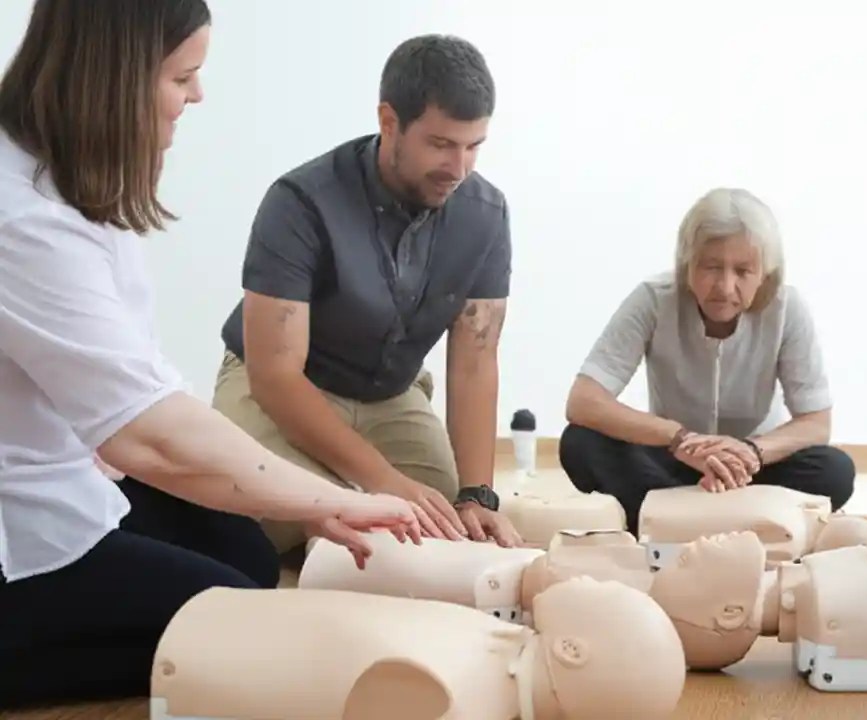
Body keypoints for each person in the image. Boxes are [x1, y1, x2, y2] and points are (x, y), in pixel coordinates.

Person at [0, 0, 427, 710]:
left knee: (247, 558)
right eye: (181, 77)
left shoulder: (73, 177)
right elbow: (151, 434)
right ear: (116, 77)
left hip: (72, 470)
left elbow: (139, 387)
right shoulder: (20, 218)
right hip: (18, 520)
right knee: (237, 624)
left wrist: (310, 502)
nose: (197, 95)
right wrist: (330, 497)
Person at [211, 33, 522, 552]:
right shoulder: (300, 202)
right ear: (388, 121)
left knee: (443, 527)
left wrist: (477, 495)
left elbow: (475, 361)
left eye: (473, 147)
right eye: (440, 145)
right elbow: (274, 376)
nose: (459, 169)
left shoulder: (486, 213)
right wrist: (383, 481)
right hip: (282, 386)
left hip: (389, 394)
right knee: (287, 519)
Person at [558, 187, 857, 534]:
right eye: (712, 267)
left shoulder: (788, 308)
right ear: (687, 264)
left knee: (835, 470)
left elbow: (816, 423)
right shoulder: (653, 300)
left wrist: (751, 451)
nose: (725, 287)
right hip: (671, 460)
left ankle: (676, 520)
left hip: (752, 468)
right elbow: (583, 402)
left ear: (765, 273)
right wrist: (679, 439)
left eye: (742, 271)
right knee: (580, 443)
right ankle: (725, 520)